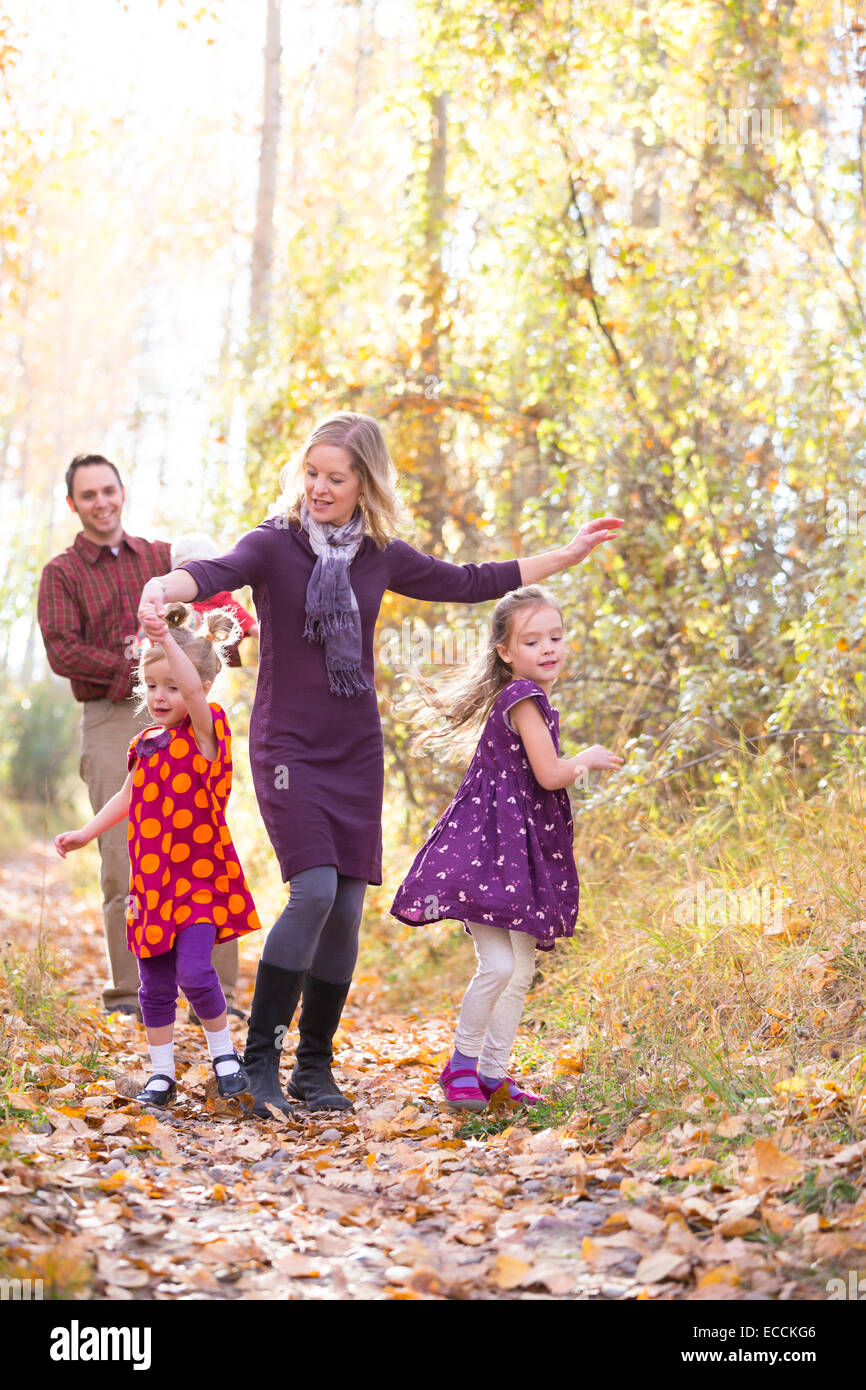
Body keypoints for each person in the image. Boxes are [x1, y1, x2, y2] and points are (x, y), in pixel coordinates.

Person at [135, 412, 623, 1121]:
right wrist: (164, 588)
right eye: (312, 475)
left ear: (365, 482)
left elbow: (471, 580)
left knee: (347, 911)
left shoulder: (380, 555)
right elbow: (217, 571)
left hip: (356, 750)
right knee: (313, 893)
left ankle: (315, 1066)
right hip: (289, 749)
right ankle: (263, 1058)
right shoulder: (274, 543)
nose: (321, 489)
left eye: (337, 478)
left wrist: (565, 555)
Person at [390, 586, 623, 1110]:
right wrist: (585, 758)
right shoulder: (522, 698)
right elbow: (551, 774)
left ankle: (494, 1075)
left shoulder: (527, 699)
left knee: (520, 970)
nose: (548, 648)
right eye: (532, 640)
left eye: (556, 637)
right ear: (505, 652)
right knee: (499, 967)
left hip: (513, 853)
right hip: (491, 855)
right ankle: (461, 1065)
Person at [37, 455, 241, 1017]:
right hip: (109, 718)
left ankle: (216, 996)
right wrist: (136, 670)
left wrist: (222, 639)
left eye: (108, 490)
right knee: (121, 858)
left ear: (122, 492)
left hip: (183, 711)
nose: (101, 502)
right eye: (88, 495)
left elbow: (211, 608)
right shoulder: (62, 573)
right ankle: (132, 995)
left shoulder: (159, 559)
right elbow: (62, 649)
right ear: (73, 504)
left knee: (204, 840)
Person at [54, 602, 261, 1108]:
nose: (161, 696)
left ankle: (224, 1056)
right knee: (154, 987)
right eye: (152, 686)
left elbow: (190, 689)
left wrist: (166, 640)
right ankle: (162, 1076)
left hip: (199, 881)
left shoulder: (208, 731)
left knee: (195, 971)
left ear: (202, 687)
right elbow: (128, 795)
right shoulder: (145, 742)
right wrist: (85, 832)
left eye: (172, 686)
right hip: (152, 884)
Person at [170, 534, 259, 668]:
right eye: (189, 574)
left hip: (207, 654)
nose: (197, 579)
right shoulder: (176, 600)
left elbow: (235, 610)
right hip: (179, 653)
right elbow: (160, 618)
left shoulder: (218, 597)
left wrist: (253, 627)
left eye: (203, 573)